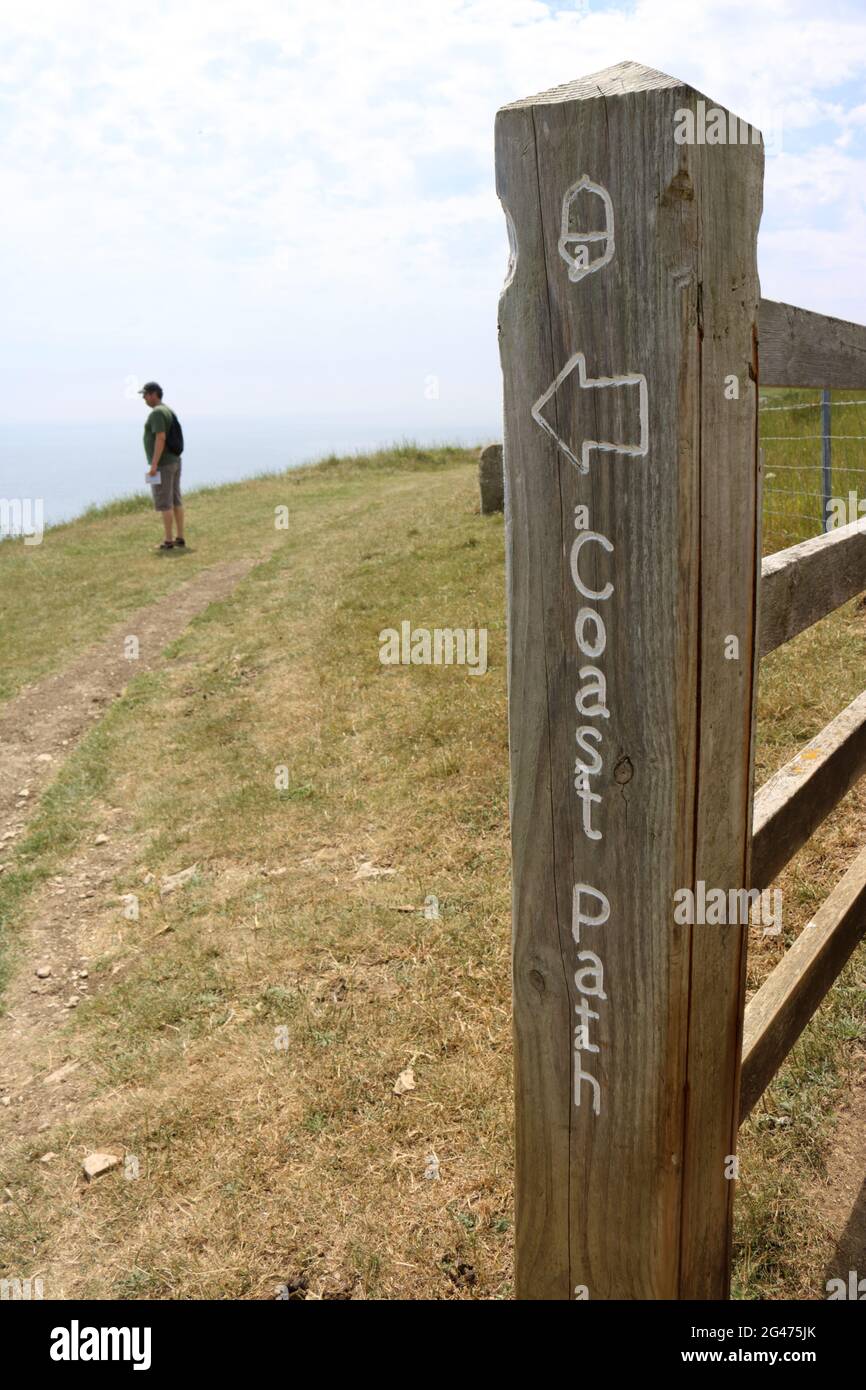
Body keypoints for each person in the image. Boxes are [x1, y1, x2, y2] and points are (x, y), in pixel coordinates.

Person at [139, 381, 185, 551]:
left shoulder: (157, 413)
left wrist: (154, 465)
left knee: (165, 502)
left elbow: (160, 437)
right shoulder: (168, 410)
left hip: (164, 464)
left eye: (145, 395)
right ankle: (180, 537)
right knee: (175, 500)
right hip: (174, 460)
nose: (144, 398)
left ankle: (168, 540)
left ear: (153, 394)